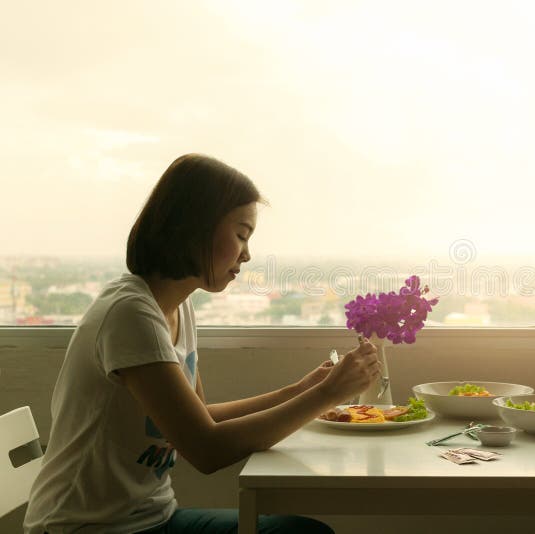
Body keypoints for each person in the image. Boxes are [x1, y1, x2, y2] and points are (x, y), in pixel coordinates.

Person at [23, 154, 380, 534]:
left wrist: (302, 388)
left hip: (153, 520)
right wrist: (327, 394)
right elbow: (207, 449)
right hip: (85, 528)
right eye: (241, 234)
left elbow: (202, 417)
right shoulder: (129, 314)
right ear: (195, 227)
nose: (247, 253)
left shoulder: (179, 306)